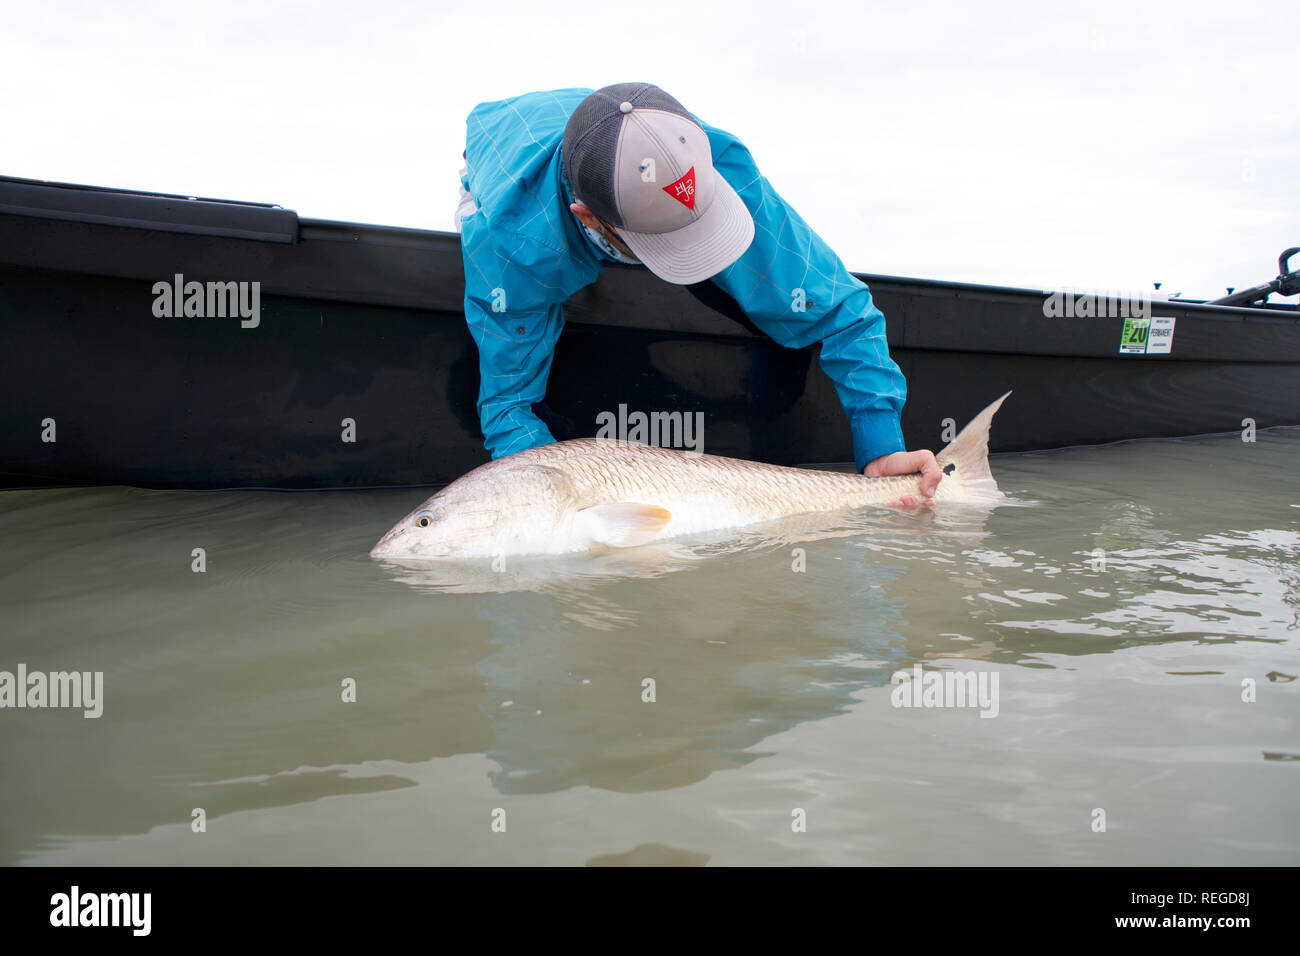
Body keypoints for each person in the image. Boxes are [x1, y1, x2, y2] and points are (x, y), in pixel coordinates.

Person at [455, 82, 941, 505]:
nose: (698, 249)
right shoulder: (512, 243)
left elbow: (846, 314)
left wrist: (882, 448)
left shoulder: (717, 166)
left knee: (775, 301)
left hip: (621, 151)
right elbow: (508, 409)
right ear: (588, 217)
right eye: (669, 242)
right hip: (513, 165)